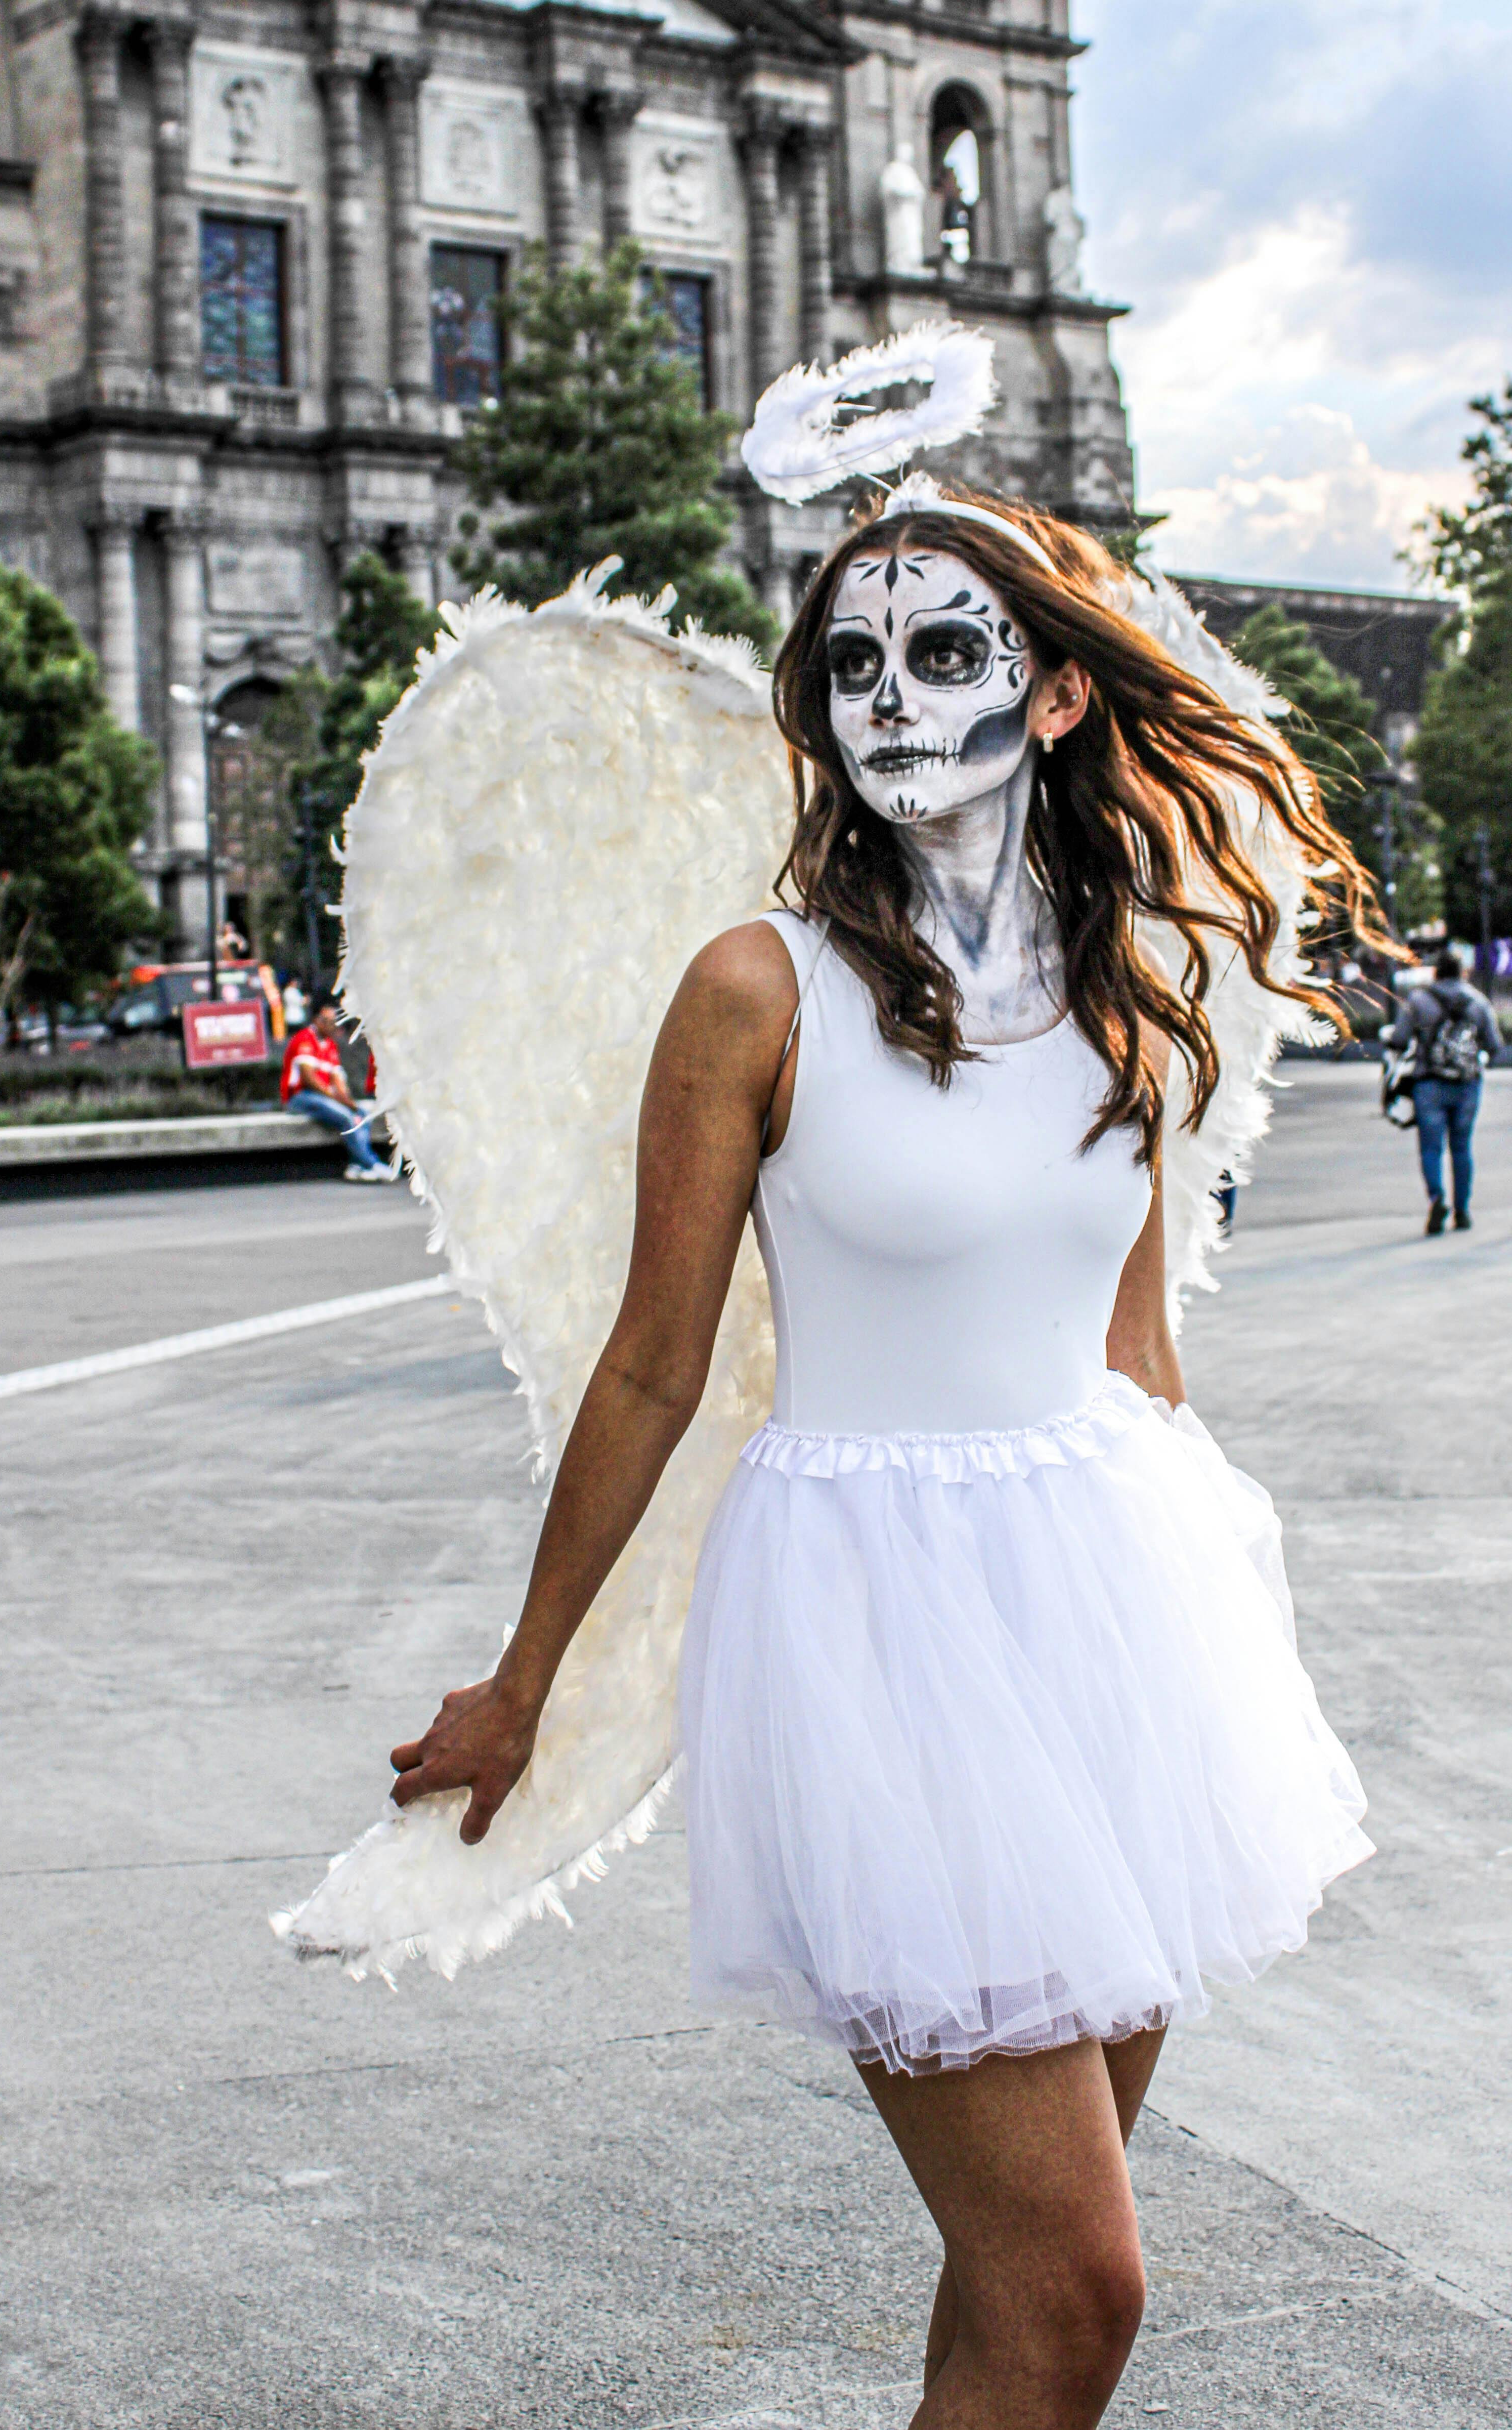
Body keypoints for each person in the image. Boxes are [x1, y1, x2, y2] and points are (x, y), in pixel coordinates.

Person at [319, 479, 1381, 2427]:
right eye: (854, 660)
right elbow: (650, 1367)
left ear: (1056, 696)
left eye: (948, 651)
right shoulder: (756, 987)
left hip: (1111, 1625)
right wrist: (527, 1679)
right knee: (1080, 2288)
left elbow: (1134, 1345)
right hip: (880, 1644)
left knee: (1015, 2291)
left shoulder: (1124, 975)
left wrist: (1216, 1609)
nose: (892, 696)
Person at [1391, 949, 1500, 1233]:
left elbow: (1399, 1039)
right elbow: (1494, 1045)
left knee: (1431, 1148)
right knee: (1462, 1148)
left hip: (1428, 1083)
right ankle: (1462, 1211)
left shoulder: (1419, 1000)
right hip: (1467, 1084)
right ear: (1462, 972)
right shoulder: (1478, 1002)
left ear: (1436, 972)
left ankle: (1437, 1199)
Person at [279, 988, 393, 1182]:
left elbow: (338, 1080)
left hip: (323, 1097)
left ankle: (357, 1166)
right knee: (346, 1117)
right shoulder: (304, 1040)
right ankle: (371, 1163)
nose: (335, 1027)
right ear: (318, 1021)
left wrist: (348, 1100)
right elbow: (310, 1081)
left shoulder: (330, 1045)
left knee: (361, 1115)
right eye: (332, 1023)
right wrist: (343, 1102)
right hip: (300, 1097)